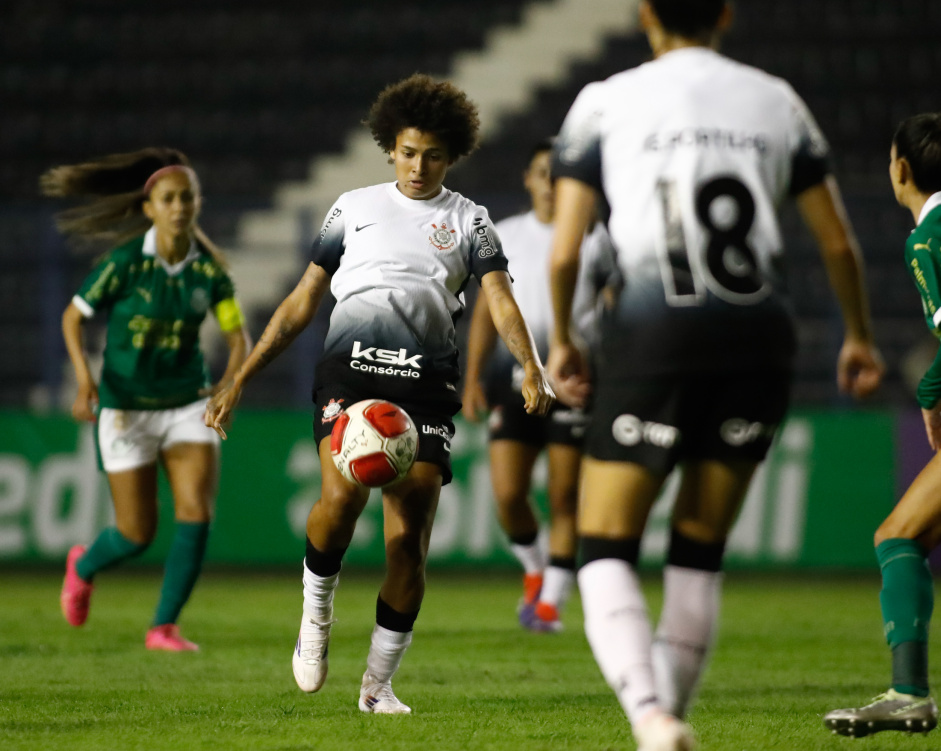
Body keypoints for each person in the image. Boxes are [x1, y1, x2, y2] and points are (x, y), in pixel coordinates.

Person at [545, 1, 885, 749]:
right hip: (757, 335)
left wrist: (565, 338)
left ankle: (649, 715)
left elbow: (565, 250)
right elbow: (838, 242)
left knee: (604, 544)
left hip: (652, 329)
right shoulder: (775, 99)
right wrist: (857, 335)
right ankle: (665, 720)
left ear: (643, 14)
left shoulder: (604, 101)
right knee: (698, 550)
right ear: (725, 13)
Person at [204, 74, 554, 714]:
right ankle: (316, 617)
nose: (420, 167)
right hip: (353, 368)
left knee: (410, 532)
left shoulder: (470, 220)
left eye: (434, 156)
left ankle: (377, 685)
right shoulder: (352, 207)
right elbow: (303, 301)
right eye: (409, 152)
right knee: (340, 498)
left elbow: (500, 299)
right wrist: (241, 376)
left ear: (452, 157)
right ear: (390, 147)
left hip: (426, 382)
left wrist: (530, 365)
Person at [47, 148, 250, 651]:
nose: (179, 206)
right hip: (124, 407)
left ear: (197, 204)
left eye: (187, 197)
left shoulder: (210, 275)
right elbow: (73, 317)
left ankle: (163, 627)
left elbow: (237, 338)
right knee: (136, 534)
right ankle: (85, 564)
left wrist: (230, 382)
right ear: (149, 208)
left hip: (186, 404)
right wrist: (84, 380)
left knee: (197, 511)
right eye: (168, 198)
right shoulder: (123, 265)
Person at [462, 138, 614, 632]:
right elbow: (486, 312)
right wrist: (472, 378)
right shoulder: (503, 235)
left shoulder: (595, 239)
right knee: (508, 494)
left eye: (558, 174)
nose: (549, 183)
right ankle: (535, 571)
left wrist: (599, 365)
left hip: (573, 382)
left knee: (566, 496)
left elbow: (615, 311)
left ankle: (551, 601)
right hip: (515, 379)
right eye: (541, 172)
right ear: (528, 180)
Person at [824, 113, 941, 738]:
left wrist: (929, 393)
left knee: (897, 536)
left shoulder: (929, 237)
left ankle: (909, 693)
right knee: (900, 535)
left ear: (900, 170)